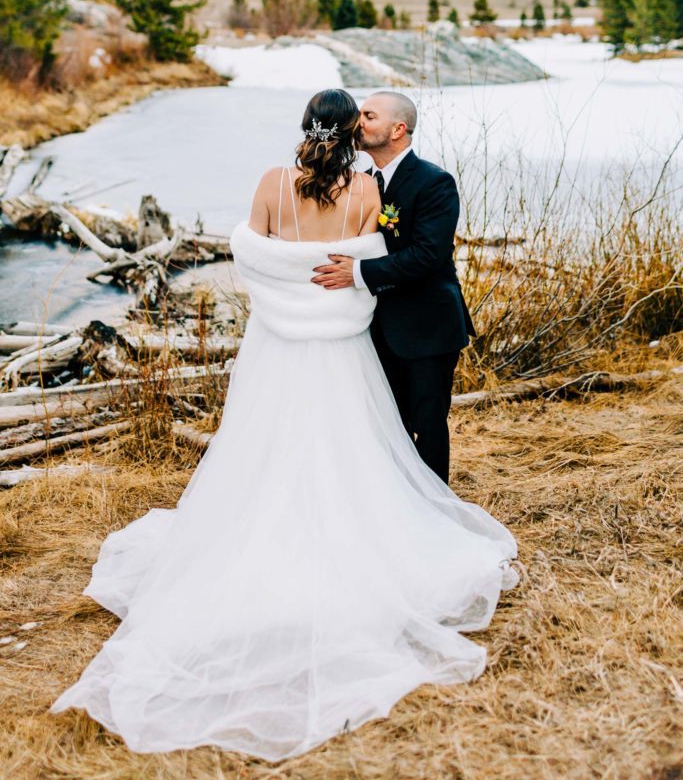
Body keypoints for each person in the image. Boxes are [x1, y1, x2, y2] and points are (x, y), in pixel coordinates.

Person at [49, 88, 517, 762]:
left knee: (265, 445)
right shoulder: (363, 191)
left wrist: (287, 296)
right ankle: (381, 533)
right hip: (341, 346)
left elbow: (256, 263)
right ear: (350, 133)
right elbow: (361, 262)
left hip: (278, 347)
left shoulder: (271, 183)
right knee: (352, 443)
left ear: (303, 128)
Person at [312, 90, 474, 484]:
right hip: (375, 327)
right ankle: (398, 502)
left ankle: (436, 506)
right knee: (387, 423)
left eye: (369, 115)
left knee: (428, 424)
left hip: (428, 326)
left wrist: (359, 273)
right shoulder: (361, 185)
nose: (358, 122)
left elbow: (428, 255)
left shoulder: (434, 182)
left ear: (398, 129)